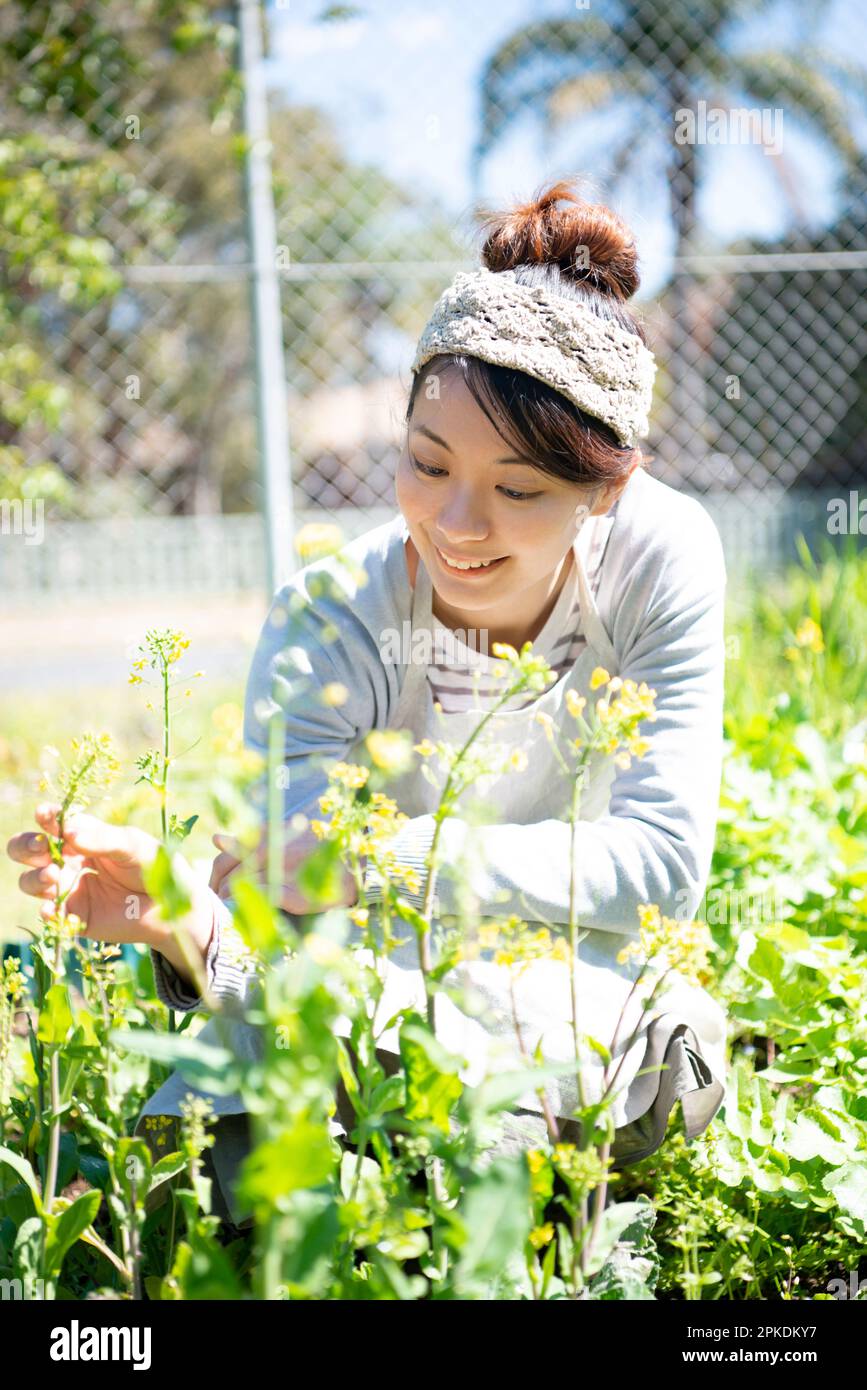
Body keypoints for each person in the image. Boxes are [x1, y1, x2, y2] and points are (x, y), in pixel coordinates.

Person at [8, 178, 728, 1231]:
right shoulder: (328, 615)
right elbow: (288, 886)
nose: (454, 521)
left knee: (529, 1089)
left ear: (604, 492)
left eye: (518, 490)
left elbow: (661, 865)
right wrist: (202, 920)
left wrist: (384, 856)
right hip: (367, 982)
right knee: (221, 1145)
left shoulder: (663, 556)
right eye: (425, 463)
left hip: (571, 974)